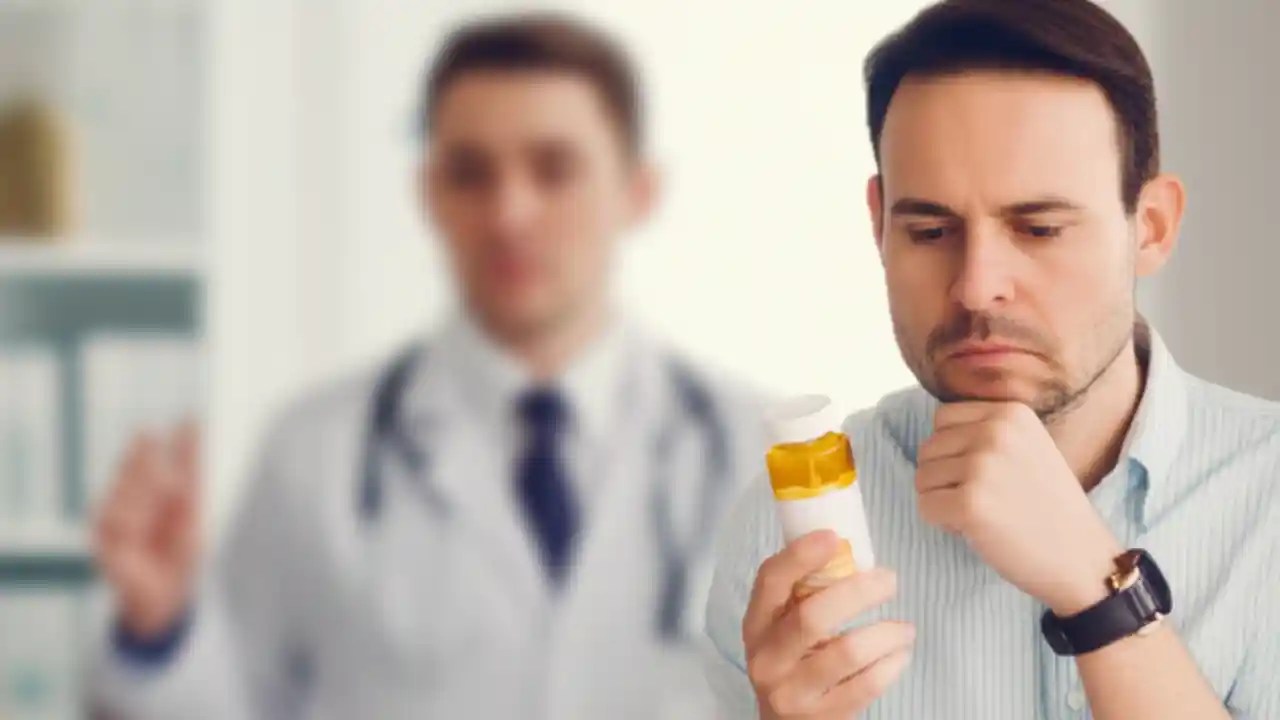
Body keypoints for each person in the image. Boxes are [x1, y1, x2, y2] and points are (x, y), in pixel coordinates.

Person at [91, 14, 764, 720]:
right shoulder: (315, 452)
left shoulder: (750, 453)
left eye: (554, 169)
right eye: (470, 173)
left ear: (638, 192)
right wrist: (156, 628)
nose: (509, 213)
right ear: (429, 194)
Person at [703, 1, 1280, 718]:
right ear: (878, 225)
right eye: (930, 231)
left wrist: (1095, 585)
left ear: (1152, 228)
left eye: (1040, 228)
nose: (976, 286)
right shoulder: (782, 537)